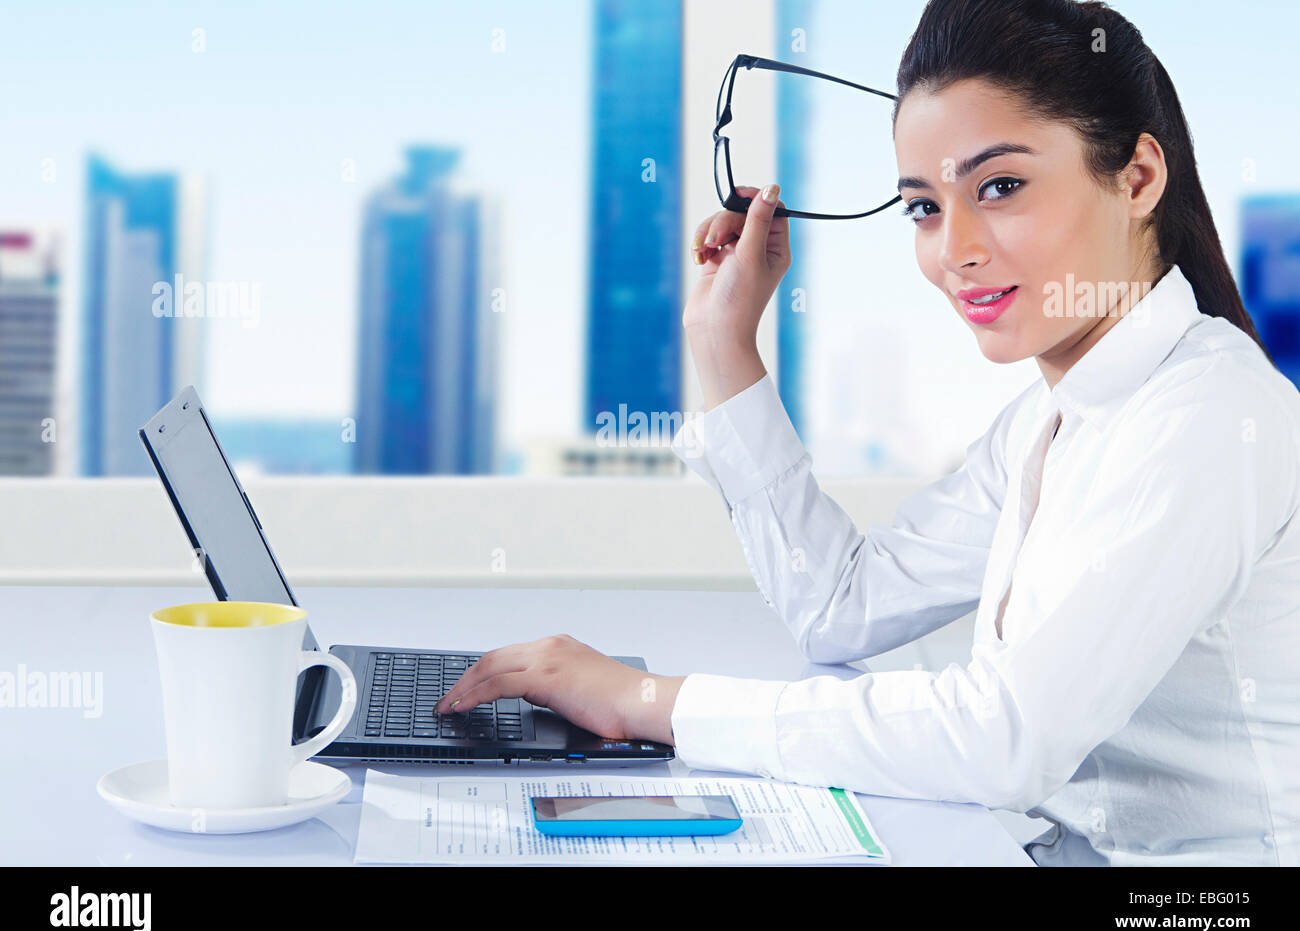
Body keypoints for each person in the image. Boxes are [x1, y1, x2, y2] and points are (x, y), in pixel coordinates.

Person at [435, 0, 1300, 865]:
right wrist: (723, 344)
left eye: (999, 187)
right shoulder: (1050, 418)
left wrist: (648, 702)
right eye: (923, 207)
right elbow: (840, 609)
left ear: (1139, 178)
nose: (953, 248)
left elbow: (1005, 740)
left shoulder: (1210, 418)